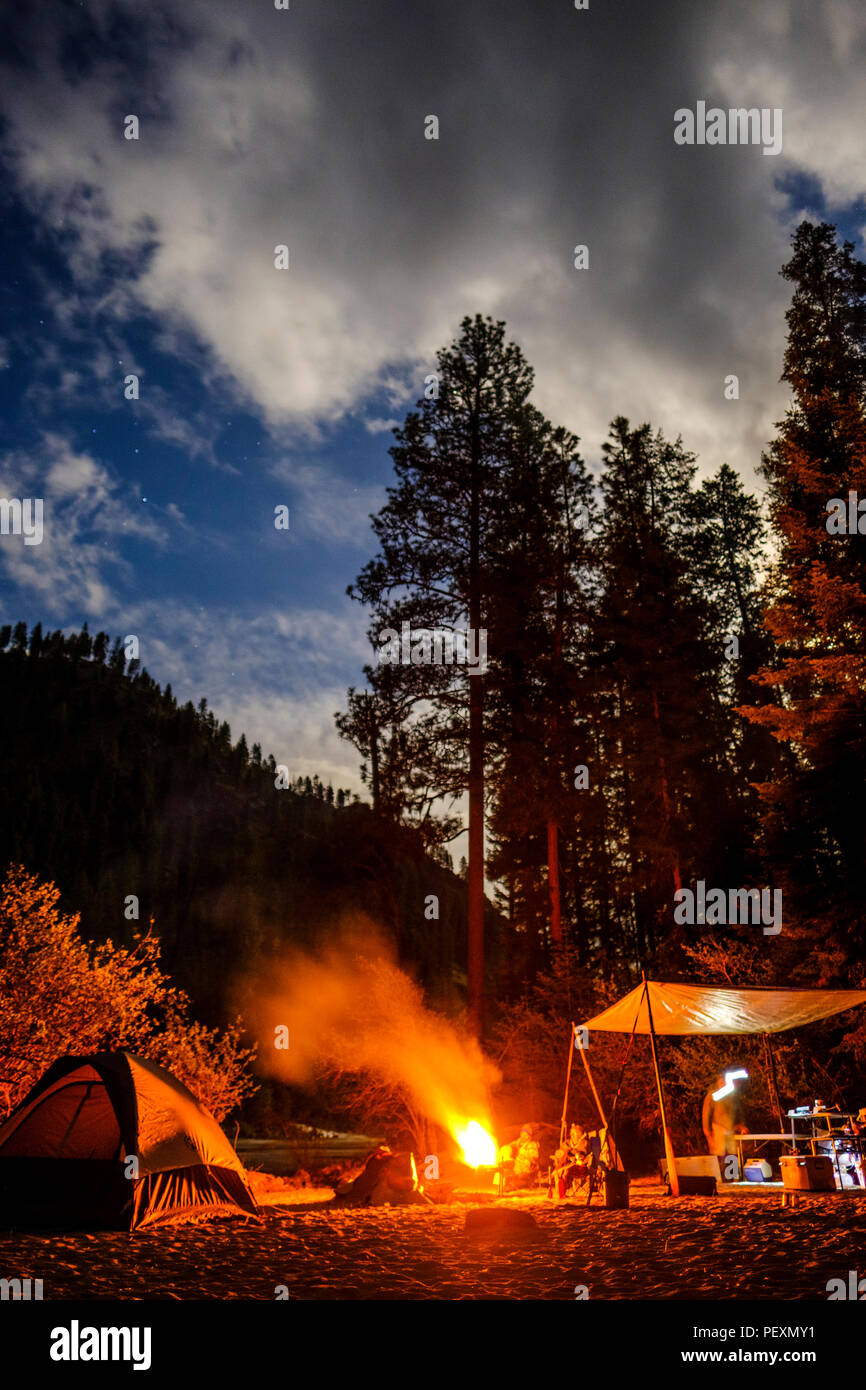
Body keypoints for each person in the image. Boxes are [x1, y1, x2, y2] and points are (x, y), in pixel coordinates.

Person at [702, 1071, 749, 1157]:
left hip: (731, 1131)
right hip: (718, 1131)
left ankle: (733, 1170)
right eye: (721, 1082)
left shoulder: (733, 1097)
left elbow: (739, 1113)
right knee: (719, 1157)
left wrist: (742, 1126)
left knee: (733, 1156)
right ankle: (720, 1169)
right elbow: (706, 1114)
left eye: (725, 1082)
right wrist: (707, 1132)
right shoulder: (713, 1095)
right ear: (718, 1083)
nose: (723, 1084)